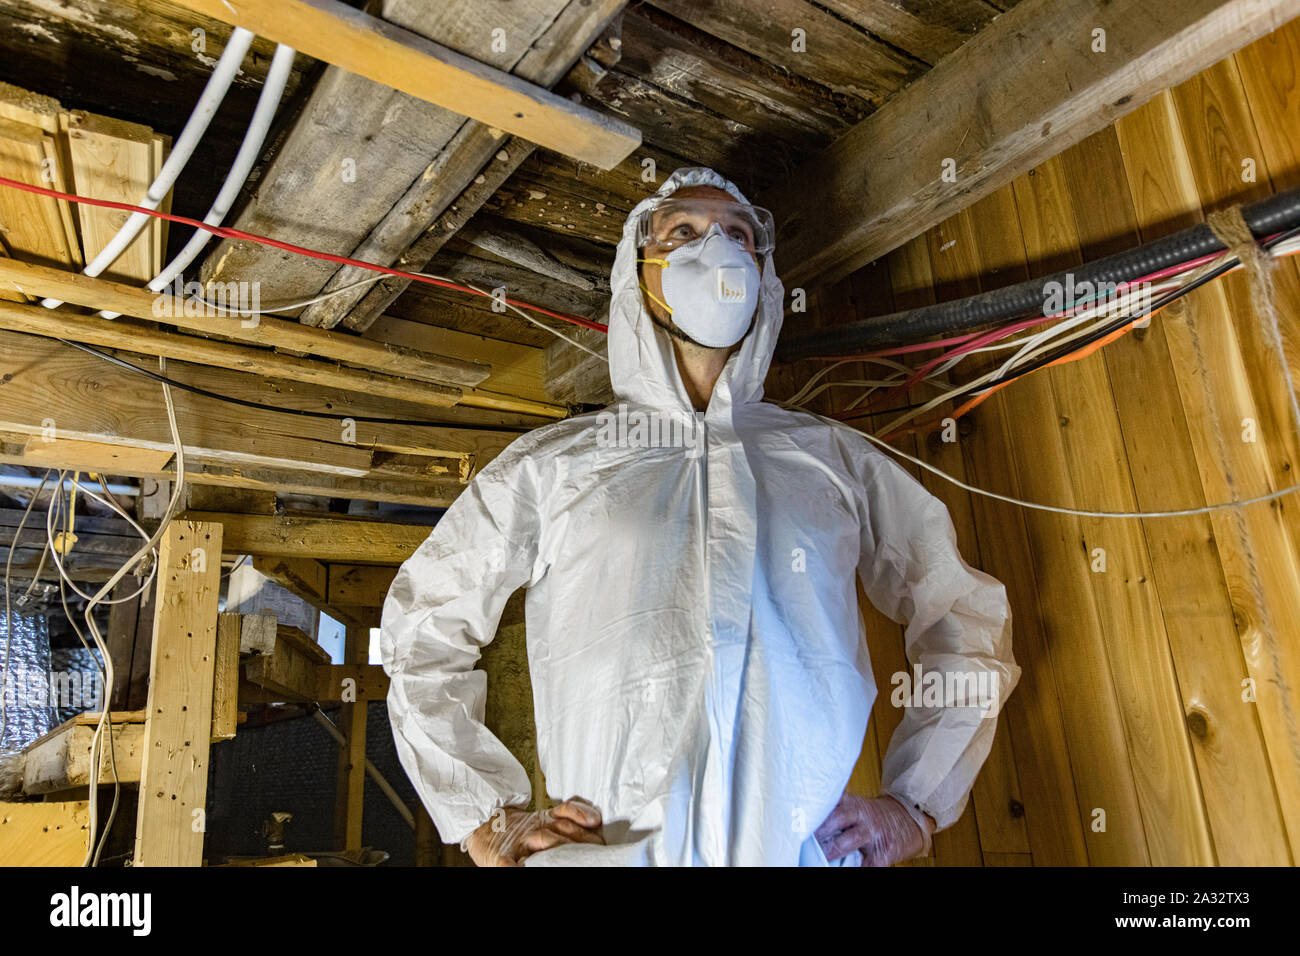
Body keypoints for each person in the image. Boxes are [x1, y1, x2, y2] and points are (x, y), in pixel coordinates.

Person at [381, 166, 1020, 866]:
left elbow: (961, 616)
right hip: (611, 854)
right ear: (638, 273)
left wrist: (914, 803)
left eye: (738, 235)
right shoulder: (556, 465)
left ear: (763, 279)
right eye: (683, 232)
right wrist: (483, 816)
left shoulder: (831, 459)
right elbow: (422, 628)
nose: (716, 250)